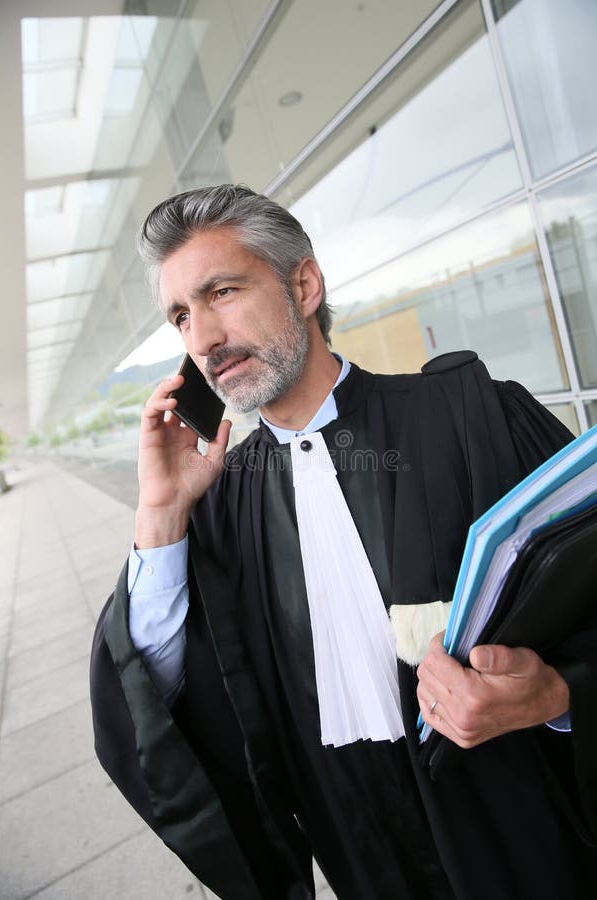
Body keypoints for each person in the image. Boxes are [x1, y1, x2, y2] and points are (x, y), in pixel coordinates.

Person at [90, 185, 597, 900]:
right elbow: (166, 704)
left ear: (303, 284)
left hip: (523, 839)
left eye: (222, 291)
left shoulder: (473, 415)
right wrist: (160, 516)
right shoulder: (217, 507)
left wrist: (555, 693)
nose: (202, 340)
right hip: (358, 859)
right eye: (181, 316)